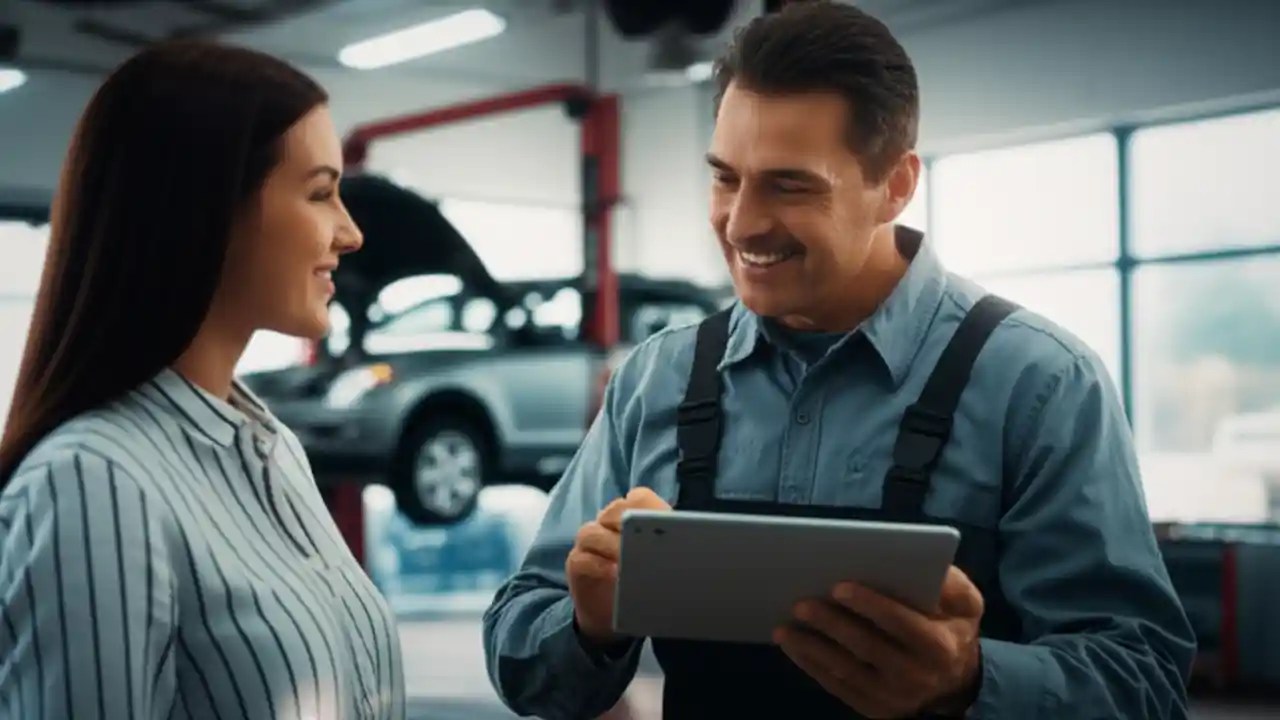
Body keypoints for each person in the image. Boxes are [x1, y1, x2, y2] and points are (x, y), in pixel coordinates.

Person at [483, 2, 1195, 718]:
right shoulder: (656, 379)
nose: (741, 223)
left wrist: (970, 681)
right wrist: (589, 626)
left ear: (895, 185)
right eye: (726, 178)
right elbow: (523, 653)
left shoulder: (1040, 386)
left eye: (789, 184)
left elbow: (1144, 681)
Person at [0, 41, 405, 719]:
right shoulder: (95, 482)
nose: (350, 233)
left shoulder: (273, 448)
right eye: (320, 193)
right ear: (208, 207)